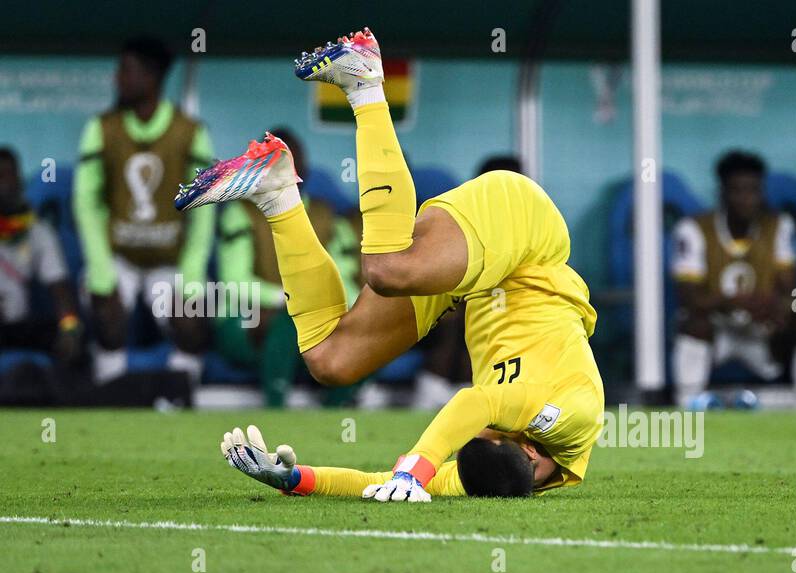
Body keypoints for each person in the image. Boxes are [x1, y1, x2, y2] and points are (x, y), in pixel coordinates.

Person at [179, 28, 602, 497]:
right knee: (388, 269)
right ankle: (365, 82)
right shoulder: (572, 423)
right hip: (526, 241)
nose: (480, 436)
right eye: (488, 437)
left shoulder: (495, 476)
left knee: (330, 362)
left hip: (477, 289)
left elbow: (380, 484)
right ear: (525, 453)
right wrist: (415, 470)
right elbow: (476, 402)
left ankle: (276, 192)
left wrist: (295, 480)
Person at [74, 36, 215, 386]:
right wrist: (100, 268)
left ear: (151, 78)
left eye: (126, 71)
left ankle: (181, 395)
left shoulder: (191, 132)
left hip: (169, 261)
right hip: (119, 257)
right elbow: (86, 204)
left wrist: (193, 273)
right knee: (106, 307)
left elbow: (204, 209)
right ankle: (111, 389)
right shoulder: (101, 128)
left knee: (192, 316)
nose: (118, 79)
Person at [214, 127, 362, 407]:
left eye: (290, 160)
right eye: (274, 162)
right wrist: (291, 300)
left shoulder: (325, 217)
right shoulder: (240, 212)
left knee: (365, 332)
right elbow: (233, 282)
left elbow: (344, 280)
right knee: (289, 320)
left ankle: (336, 406)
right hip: (244, 318)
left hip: (311, 321)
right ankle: (277, 405)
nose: (284, 169)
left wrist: (356, 314)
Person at [670, 150, 796, 408]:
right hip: (718, 328)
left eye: (753, 190)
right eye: (737, 190)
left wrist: (787, 307)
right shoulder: (694, 229)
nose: (745, 199)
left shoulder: (780, 226)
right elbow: (688, 298)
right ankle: (688, 403)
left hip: (762, 329)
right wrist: (732, 301)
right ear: (723, 192)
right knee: (693, 323)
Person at [412, 154, 522, 410]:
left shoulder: (533, 226)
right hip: (447, 303)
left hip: (509, 307)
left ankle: (475, 396)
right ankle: (429, 395)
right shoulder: (457, 220)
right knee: (458, 316)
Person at [0, 147, 82, 369]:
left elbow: (60, 289)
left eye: (10, 175)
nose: (5, 184)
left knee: (65, 337)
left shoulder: (37, 231)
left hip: (15, 328)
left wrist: (69, 328)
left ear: (20, 181)